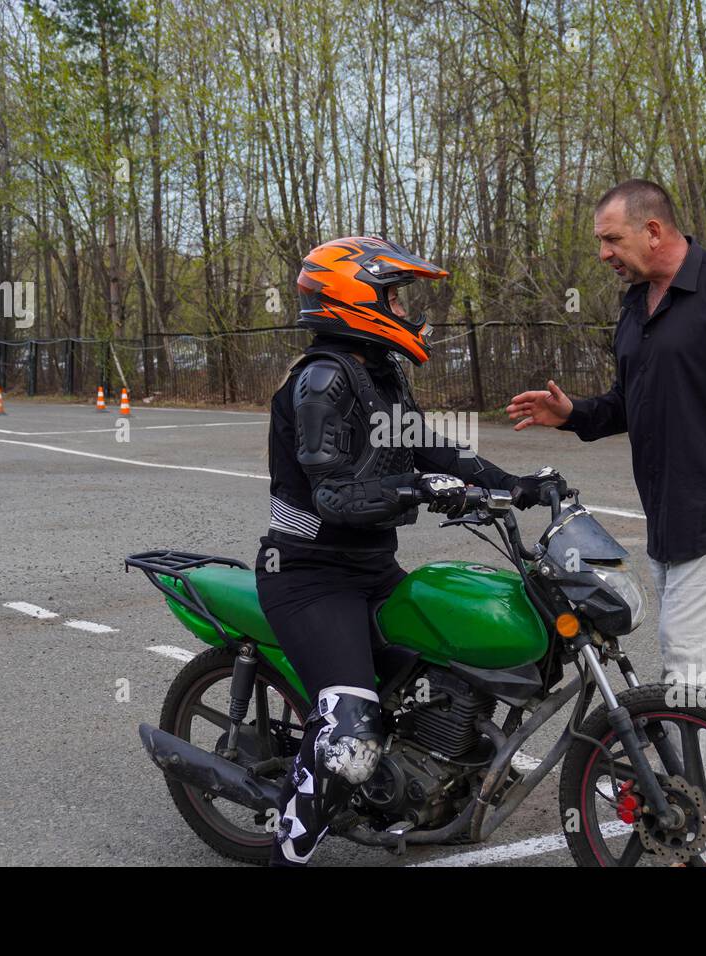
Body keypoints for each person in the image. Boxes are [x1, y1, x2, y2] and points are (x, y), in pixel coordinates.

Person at [506, 180, 706, 865]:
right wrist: (576, 415)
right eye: (601, 243)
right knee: (703, 691)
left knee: (691, 690)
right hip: (668, 524)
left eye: (612, 239)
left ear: (654, 231)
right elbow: (631, 402)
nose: (604, 254)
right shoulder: (636, 307)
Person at [258, 235, 555, 866]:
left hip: (371, 570)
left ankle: (411, 793)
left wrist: (517, 486)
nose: (403, 309)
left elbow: (434, 448)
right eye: (391, 295)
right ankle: (290, 849)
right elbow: (334, 497)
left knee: (439, 682)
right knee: (350, 733)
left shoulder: (377, 371)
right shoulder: (321, 381)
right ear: (353, 297)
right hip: (310, 576)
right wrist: (416, 487)